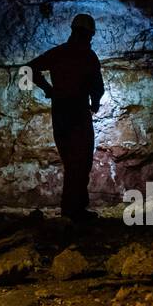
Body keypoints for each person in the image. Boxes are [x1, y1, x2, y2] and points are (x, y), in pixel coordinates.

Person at [29, 13, 105, 221]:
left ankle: (73, 210)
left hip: (60, 112)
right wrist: (95, 103)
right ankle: (74, 211)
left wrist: (48, 89)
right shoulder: (88, 56)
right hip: (78, 112)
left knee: (71, 161)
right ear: (89, 34)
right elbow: (97, 86)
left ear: (73, 30)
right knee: (81, 161)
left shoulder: (58, 53)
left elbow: (28, 69)